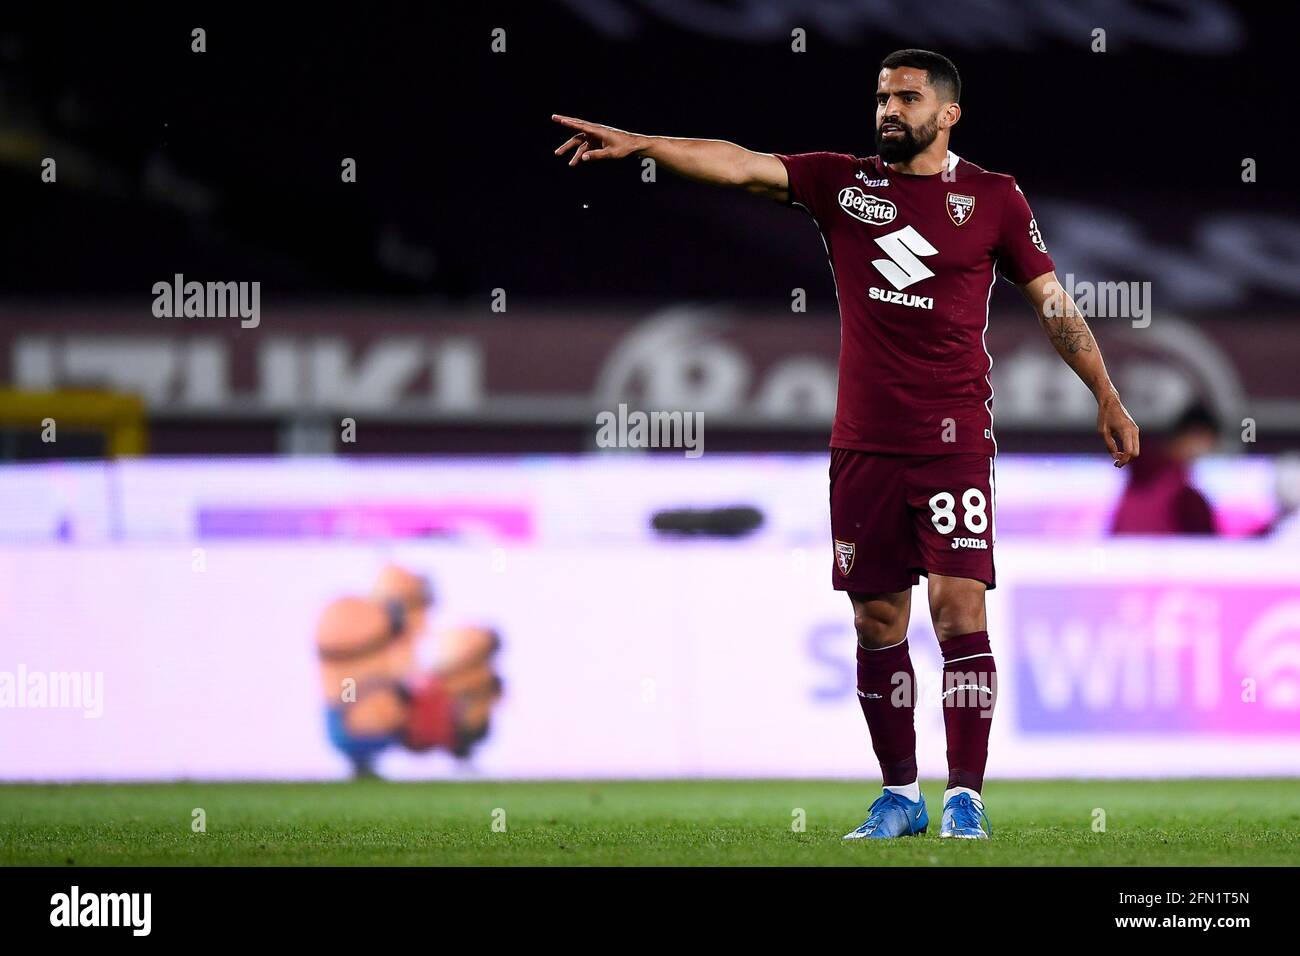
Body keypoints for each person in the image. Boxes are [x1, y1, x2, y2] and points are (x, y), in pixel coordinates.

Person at [552, 48, 1139, 839]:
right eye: (881, 98)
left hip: (954, 439)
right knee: (876, 622)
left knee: (959, 608)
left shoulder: (994, 199)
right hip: (863, 443)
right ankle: (901, 795)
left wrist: (1104, 392)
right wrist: (645, 144)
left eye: (905, 98)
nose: (887, 110)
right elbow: (737, 164)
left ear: (948, 113)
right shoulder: (842, 182)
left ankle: (965, 795)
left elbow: (1053, 303)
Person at [316, 566, 503, 777]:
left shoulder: (402, 644)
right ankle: (360, 756)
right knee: (370, 698)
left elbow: (414, 673)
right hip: (352, 711)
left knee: (462, 689)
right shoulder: (355, 617)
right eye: (417, 605)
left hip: (368, 708)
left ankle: (463, 756)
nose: (421, 618)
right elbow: (348, 682)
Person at [1110, 401, 1219, 535]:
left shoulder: (1140, 467)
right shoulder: (1183, 495)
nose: (1206, 452)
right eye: (1208, 443)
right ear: (1195, 434)